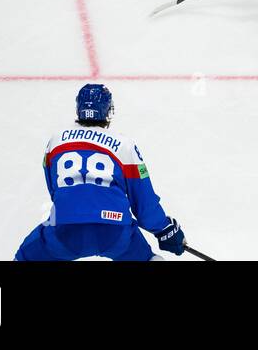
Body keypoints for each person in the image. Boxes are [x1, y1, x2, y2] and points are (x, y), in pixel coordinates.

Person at [14, 84, 189, 261]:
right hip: (115, 232)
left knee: (26, 256)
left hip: (65, 230)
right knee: (147, 258)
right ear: (107, 111)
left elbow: (54, 188)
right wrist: (165, 230)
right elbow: (144, 202)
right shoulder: (124, 145)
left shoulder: (56, 141)